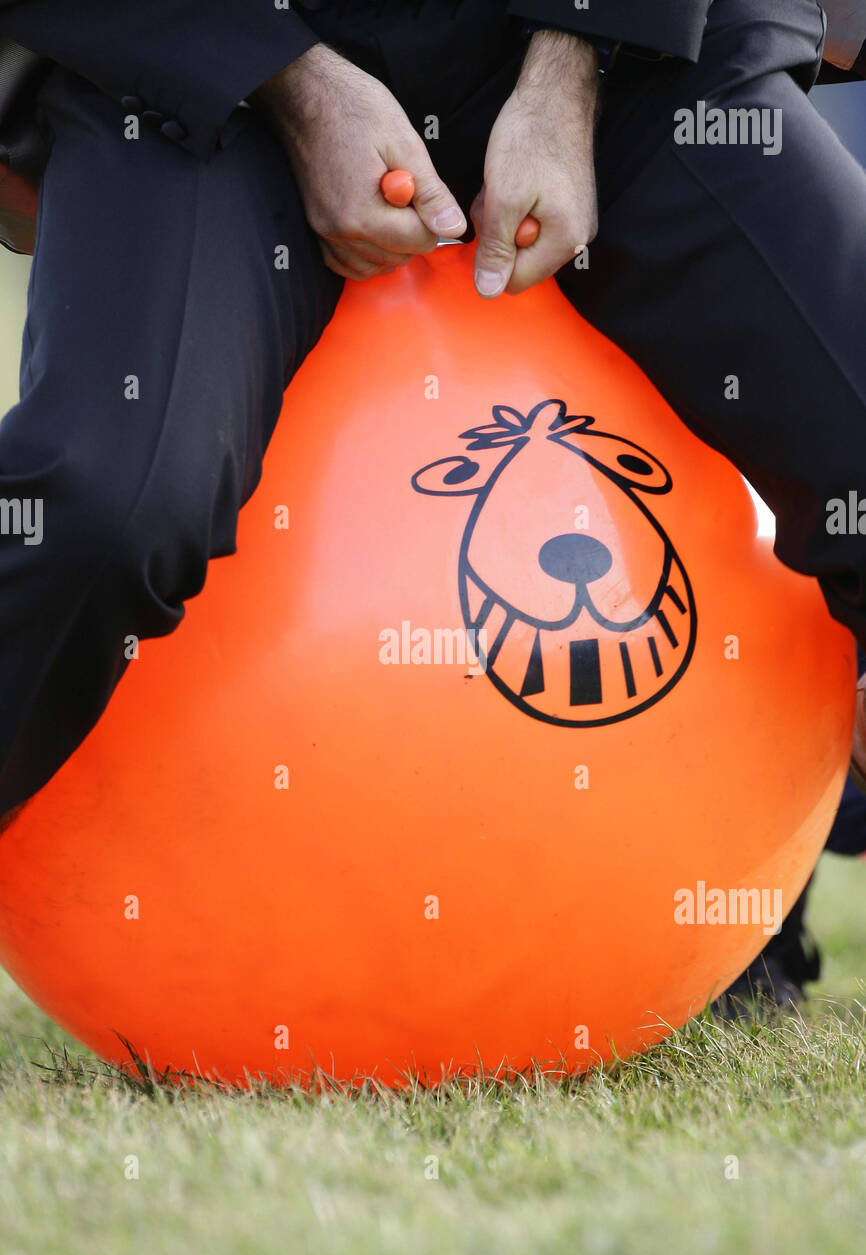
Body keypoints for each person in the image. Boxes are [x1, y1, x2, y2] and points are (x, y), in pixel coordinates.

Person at [0, 0, 865, 843]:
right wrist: (287, 75)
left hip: (627, 46)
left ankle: (751, 904)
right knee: (103, 513)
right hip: (209, 69)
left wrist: (567, 70)